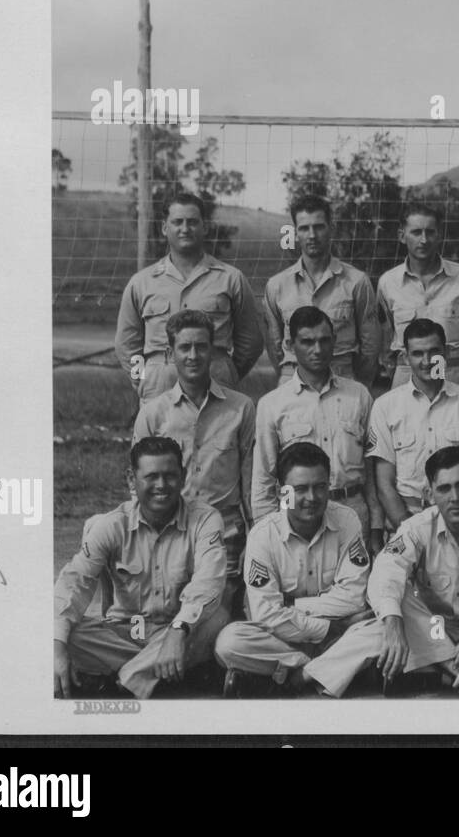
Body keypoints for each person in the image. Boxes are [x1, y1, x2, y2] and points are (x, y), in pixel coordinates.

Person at [304, 446, 459, 698]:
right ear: (430, 494)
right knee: (396, 604)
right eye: (444, 489)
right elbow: (387, 572)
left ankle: (427, 672)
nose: (455, 497)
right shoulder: (416, 527)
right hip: (429, 628)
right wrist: (394, 625)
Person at [53, 437, 228, 699]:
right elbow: (74, 583)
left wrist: (178, 630)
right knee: (65, 633)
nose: (161, 485)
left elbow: (208, 582)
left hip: (180, 633)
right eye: (151, 476)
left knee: (216, 616)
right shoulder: (111, 525)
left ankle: (122, 684)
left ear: (182, 477)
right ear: (131, 479)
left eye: (170, 476)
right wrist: (56, 647)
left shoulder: (205, 520)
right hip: (125, 635)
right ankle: (155, 676)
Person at [215, 443, 372, 694]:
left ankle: (293, 675)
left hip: (334, 634)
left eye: (320, 487)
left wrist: (293, 605)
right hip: (299, 636)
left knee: (381, 630)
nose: (312, 498)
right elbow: (265, 616)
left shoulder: (347, 520)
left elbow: (354, 598)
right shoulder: (262, 536)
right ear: (281, 492)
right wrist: (329, 627)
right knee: (229, 642)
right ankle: (322, 670)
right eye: (300, 489)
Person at [133, 309, 255, 610]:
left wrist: (256, 542)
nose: (193, 355)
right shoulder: (153, 413)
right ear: (169, 353)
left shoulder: (241, 408)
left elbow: (253, 483)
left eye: (201, 346)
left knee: (215, 622)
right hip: (171, 533)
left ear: (212, 351)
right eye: (184, 347)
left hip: (225, 536)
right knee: (165, 620)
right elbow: (138, 489)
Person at [252, 306, 383, 549]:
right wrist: (265, 532)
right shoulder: (272, 405)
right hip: (295, 515)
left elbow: (372, 470)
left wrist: (376, 526)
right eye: (307, 342)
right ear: (291, 345)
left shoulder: (359, 396)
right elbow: (264, 479)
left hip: (351, 510)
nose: (318, 350)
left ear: (334, 341)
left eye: (324, 341)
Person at [115, 191, 264, 402]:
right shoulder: (142, 282)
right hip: (160, 385)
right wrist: (143, 381)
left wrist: (225, 371)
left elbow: (251, 341)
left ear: (205, 227)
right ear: (164, 228)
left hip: (215, 384)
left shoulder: (231, 279)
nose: (185, 229)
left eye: (193, 222)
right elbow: (126, 343)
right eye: (177, 222)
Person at [370, 318, 459, 530]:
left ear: (445, 353)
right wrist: (409, 530)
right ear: (406, 357)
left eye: (433, 352)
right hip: (407, 517)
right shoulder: (385, 407)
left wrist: (458, 524)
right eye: (417, 353)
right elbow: (384, 484)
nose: (427, 361)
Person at [263, 194, 380, 385]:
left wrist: (355, 386)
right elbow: (275, 347)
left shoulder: (356, 282)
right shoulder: (277, 286)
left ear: (330, 229)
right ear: (295, 233)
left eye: (318, 227)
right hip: (292, 383)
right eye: (304, 228)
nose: (312, 235)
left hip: (342, 382)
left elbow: (370, 346)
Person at [375, 203, 459, 390]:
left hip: (452, 374)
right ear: (402, 236)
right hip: (406, 376)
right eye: (416, 232)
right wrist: (401, 371)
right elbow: (385, 341)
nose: (424, 240)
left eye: (430, 232)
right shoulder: (388, 283)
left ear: (439, 235)